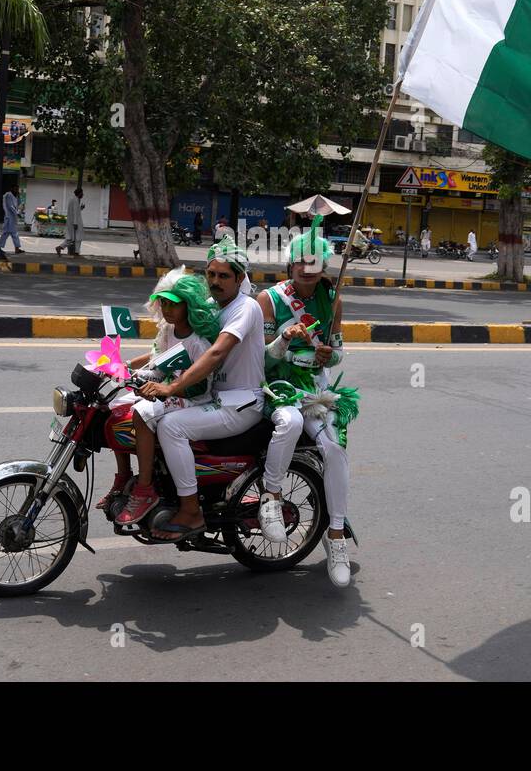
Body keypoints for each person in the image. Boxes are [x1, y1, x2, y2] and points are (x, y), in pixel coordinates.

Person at [137, 236, 265, 542]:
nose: (215, 282)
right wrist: (127, 367)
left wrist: (173, 387)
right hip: (209, 397)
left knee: (171, 427)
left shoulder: (245, 308)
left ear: (240, 278)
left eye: (223, 276)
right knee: (139, 409)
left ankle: (191, 511)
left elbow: (216, 352)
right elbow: (171, 348)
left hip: (239, 404)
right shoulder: (210, 306)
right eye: (211, 274)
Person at [256, 215, 359, 587]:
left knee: (334, 448)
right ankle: (271, 497)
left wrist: (327, 355)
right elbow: (262, 360)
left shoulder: (332, 299)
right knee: (291, 423)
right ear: (291, 263)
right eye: (302, 261)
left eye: (316, 263)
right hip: (279, 385)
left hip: (316, 388)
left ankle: (335, 536)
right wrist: (284, 340)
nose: (308, 269)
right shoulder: (269, 300)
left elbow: (339, 353)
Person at [102, 269, 222, 524]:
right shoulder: (169, 331)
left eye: (173, 304)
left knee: (143, 413)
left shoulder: (198, 342)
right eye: (163, 302)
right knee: (113, 408)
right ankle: (123, 476)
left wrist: (165, 388)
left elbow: (198, 386)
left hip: (193, 399)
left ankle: (145, 489)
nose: (166, 309)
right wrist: (126, 370)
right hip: (169, 389)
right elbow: (158, 363)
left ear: (188, 306)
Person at [57, 187, 84, 255]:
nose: (83, 195)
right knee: (78, 238)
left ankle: (60, 247)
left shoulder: (73, 199)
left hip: (72, 222)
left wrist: (80, 208)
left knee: (71, 238)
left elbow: (76, 211)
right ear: (79, 193)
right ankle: (76, 252)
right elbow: (75, 212)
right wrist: (75, 223)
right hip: (75, 222)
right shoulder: (75, 200)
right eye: (82, 193)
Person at [0, 187, 23, 254]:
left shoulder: (15, 196)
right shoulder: (8, 195)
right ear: (12, 189)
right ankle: (16, 249)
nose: (17, 190)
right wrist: (17, 213)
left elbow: (19, 203)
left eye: (17, 189)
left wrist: (19, 196)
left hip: (13, 218)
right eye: (16, 189)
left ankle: (16, 248)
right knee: (10, 233)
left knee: (10, 233)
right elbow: (10, 206)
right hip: (9, 218)